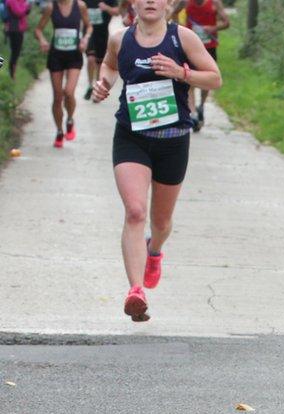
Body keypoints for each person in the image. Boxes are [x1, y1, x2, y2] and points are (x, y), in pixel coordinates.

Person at [90, 0, 221, 321]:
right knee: (135, 212)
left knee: (160, 223)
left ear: (167, 4)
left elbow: (215, 78)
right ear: (133, 3)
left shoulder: (183, 38)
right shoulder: (121, 38)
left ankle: (154, 250)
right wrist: (103, 83)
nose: (150, 1)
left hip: (173, 141)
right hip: (131, 137)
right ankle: (136, 291)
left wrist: (181, 72)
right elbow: (109, 64)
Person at [34, 0, 92, 148]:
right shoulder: (51, 7)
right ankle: (59, 131)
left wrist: (85, 39)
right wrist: (42, 40)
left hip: (74, 55)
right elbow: (38, 29)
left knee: (68, 92)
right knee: (57, 96)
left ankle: (70, 119)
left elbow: (89, 26)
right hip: (56, 55)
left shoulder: (80, 6)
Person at [170, 0, 228, 131]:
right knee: (189, 78)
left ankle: (201, 105)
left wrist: (213, 28)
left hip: (209, 46)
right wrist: (181, 29)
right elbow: (173, 13)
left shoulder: (214, 2)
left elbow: (226, 22)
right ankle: (193, 114)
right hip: (190, 48)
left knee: (207, 79)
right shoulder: (185, 2)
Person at [82, 0, 117, 101]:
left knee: (100, 63)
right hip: (89, 33)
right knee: (90, 58)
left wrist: (106, 8)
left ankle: (97, 88)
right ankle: (90, 85)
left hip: (102, 34)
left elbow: (117, 11)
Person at [4, 0, 29, 79]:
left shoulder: (21, 1)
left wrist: (26, 6)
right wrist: (27, 6)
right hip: (14, 28)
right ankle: (12, 74)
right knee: (15, 52)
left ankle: (13, 73)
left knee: (17, 52)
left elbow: (26, 12)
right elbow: (19, 12)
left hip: (19, 28)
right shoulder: (12, 1)